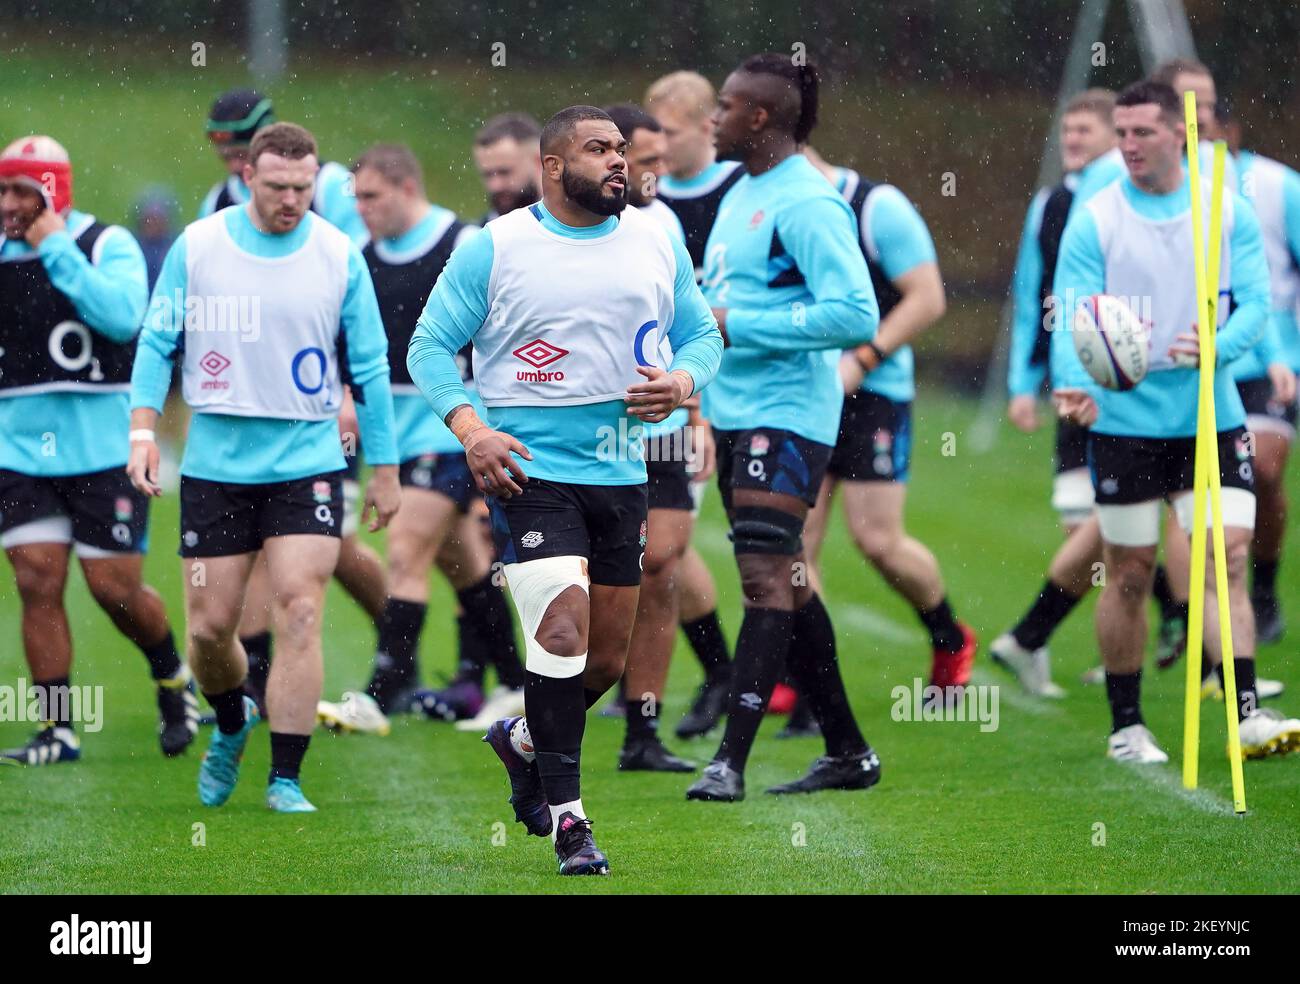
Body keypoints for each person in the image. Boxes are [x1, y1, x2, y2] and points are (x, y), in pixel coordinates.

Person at [408, 105, 721, 874]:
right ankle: (572, 823)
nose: (618, 161)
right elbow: (429, 346)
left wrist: (682, 381)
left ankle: (520, 740)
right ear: (552, 166)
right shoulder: (497, 247)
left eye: (620, 149)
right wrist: (473, 431)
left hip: (621, 469)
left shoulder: (656, 234)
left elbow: (704, 335)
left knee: (605, 663)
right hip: (530, 471)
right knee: (560, 631)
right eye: (597, 149)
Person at [127, 122, 401, 811]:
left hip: (306, 458)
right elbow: (159, 343)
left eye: (303, 188)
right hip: (218, 465)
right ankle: (229, 720)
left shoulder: (340, 254)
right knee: (211, 630)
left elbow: (368, 366)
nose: (290, 200)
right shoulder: (201, 245)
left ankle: (286, 777)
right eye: (277, 187)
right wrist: (142, 431)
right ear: (248, 176)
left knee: (301, 609)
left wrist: (387, 466)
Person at [1052, 81, 1300, 763]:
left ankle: (1247, 712)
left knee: (1229, 558)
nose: (1128, 146)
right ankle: (1127, 726)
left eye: (1143, 133)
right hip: (1126, 425)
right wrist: (1071, 382)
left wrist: (1221, 343)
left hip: (1210, 419)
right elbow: (1071, 307)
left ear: (1180, 135)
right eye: (1122, 133)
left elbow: (1256, 305)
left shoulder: (1225, 212)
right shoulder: (1095, 216)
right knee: (1129, 572)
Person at [683, 54, 882, 803]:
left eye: (726, 106)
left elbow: (856, 314)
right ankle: (850, 752)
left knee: (764, 578)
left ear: (759, 119)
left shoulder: (807, 201)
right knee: (790, 582)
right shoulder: (745, 189)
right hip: (738, 412)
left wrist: (743, 324)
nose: (714, 117)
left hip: (789, 416)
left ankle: (728, 760)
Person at [0, 135, 198, 766]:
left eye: (19, 190)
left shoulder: (103, 244)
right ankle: (57, 729)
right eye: (2, 189)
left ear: (51, 190)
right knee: (36, 580)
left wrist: (53, 246)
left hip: (103, 450)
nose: (7, 203)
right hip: (20, 451)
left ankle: (172, 678)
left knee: (113, 588)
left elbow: (120, 317)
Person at [317, 143, 526, 731]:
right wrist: (345, 399)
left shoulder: (462, 244)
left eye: (372, 197)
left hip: (454, 427)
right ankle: (515, 681)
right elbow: (346, 345)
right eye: (355, 198)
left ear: (408, 188)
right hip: (393, 436)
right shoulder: (359, 256)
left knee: (405, 548)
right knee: (462, 564)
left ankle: (381, 693)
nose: (360, 209)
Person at [801, 146, 975, 713]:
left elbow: (928, 299)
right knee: (794, 552)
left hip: (873, 396)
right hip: (799, 394)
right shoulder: (765, 205)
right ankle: (812, 689)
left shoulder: (876, 207)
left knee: (878, 540)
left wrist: (863, 359)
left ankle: (949, 636)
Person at [991, 90, 1120, 696]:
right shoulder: (1052, 201)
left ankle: (1053, 641)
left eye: (1084, 129)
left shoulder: (1124, 195)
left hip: (1125, 384)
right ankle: (1069, 643)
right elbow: (1034, 292)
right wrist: (1026, 381)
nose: (1071, 139)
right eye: (1067, 128)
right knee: (1091, 526)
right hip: (1080, 383)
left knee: (1129, 523)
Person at [600, 102, 716, 771]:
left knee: (662, 564)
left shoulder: (662, 224)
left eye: (658, 160)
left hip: (663, 426)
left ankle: (642, 732)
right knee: (585, 580)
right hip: (585, 434)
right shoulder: (553, 228)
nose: (652, 172)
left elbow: (686, 332)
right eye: (641, 160)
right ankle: (556, 713)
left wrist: (696, 420)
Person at [1218, 102, 1300, 646]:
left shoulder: (1277, 185)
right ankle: (1192, 605)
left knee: (1262, 472)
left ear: (1230, 130)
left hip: (1272, 362)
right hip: (1199, 363)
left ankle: (1262, 589)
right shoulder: (1169, 195)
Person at [200, 89, 366, 243]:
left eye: (242, 155)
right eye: (226, 157)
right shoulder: (216, 200)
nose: (234, 167)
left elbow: (358, 254)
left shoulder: (334, 181)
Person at [472, 113, 543, 225]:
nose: (495, 186)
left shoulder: (577, 227)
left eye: (504, 172)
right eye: (488, 175)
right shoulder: (476, 237)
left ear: (539, 162)